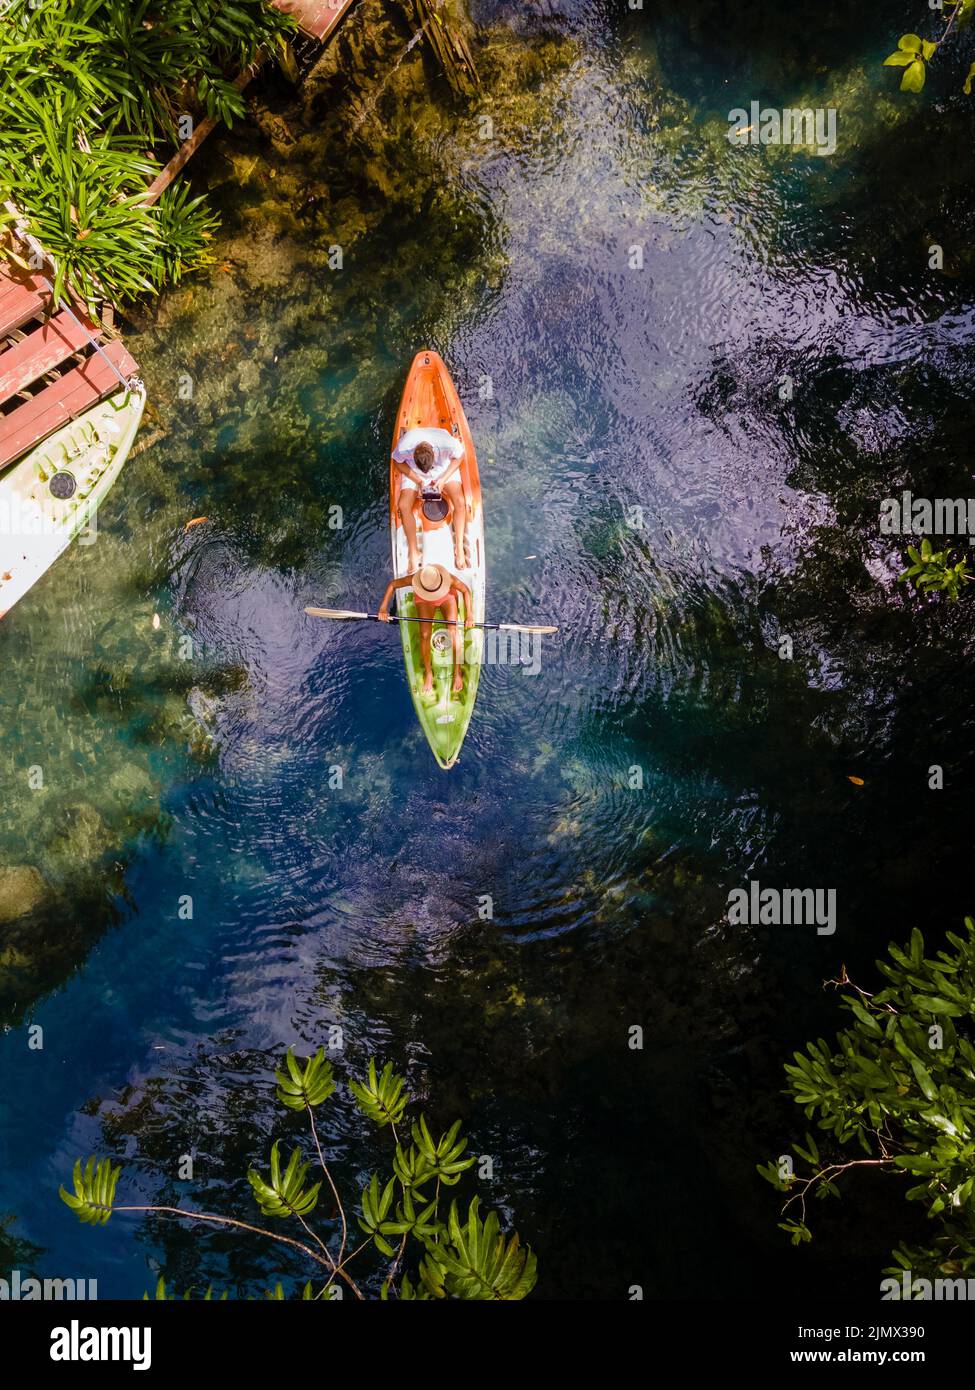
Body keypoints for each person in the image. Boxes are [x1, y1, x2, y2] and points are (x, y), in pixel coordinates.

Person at [378, 563, 473, 695]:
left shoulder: (450, 579)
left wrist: (469, 615)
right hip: (424, 601)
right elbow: (392, 584)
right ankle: (429, 673)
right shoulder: (415, 579)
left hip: (447, 598)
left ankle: (457, 671)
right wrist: (383, 608)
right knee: (424, 634)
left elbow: (465, 590)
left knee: (453, 631)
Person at [392, 426, 469, 574]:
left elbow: (459, 456)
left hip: (443, 469)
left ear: (434, 452)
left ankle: (459, 547)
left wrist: (443, 480)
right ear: (413, 454)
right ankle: (413, 552)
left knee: (460, 502)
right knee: (403, 505)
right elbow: (397, 462)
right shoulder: (404, 446)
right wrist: (419, 481)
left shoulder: (446, 442)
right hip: (415, 472)